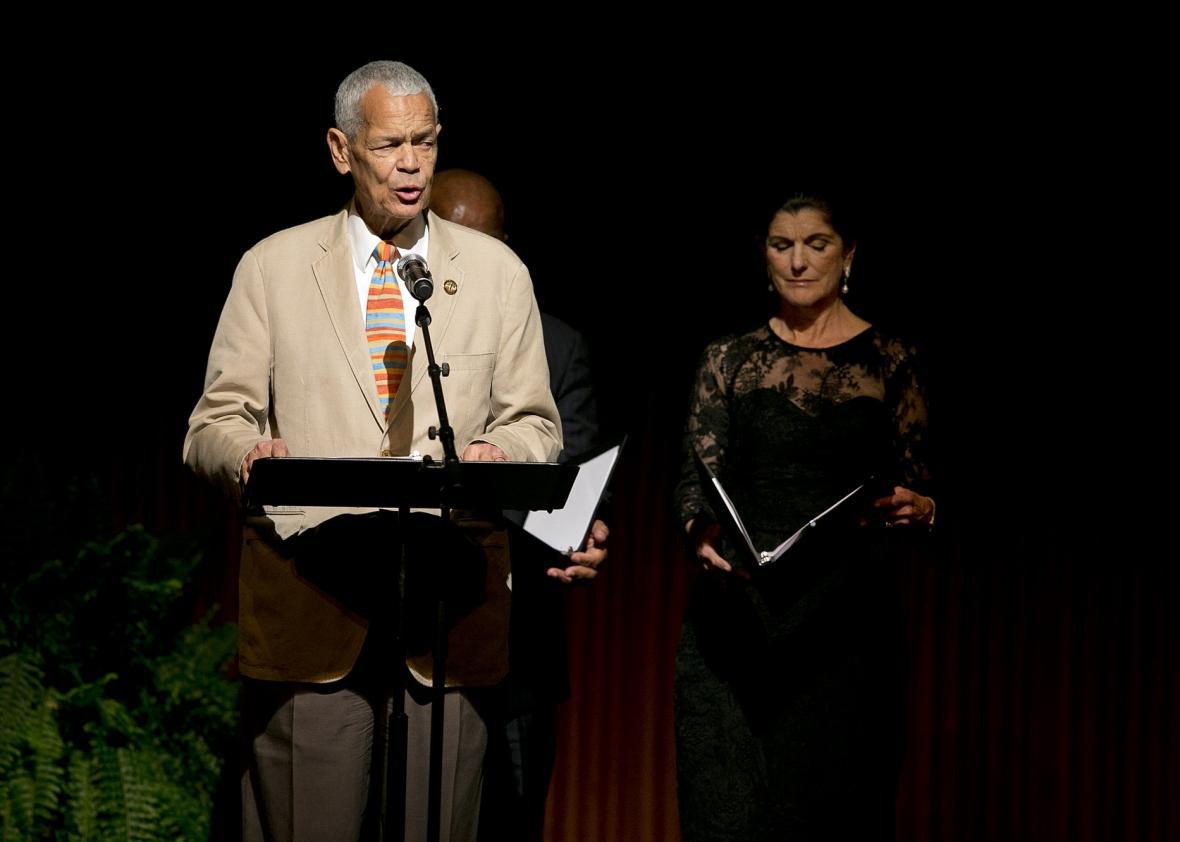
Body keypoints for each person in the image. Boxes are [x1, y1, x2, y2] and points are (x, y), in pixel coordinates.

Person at [183, 61, 561, 842]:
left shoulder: (497, 274)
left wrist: (498, 447)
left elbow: (536, 425)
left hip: (450, 613)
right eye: (391, 144)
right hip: (311, 599)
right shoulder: (272, 267)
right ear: (340, 149)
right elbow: (212, 423)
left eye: (426, 141)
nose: (413, 163)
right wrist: (249, 452)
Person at [673, 191, 934, 840]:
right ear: (763, 256)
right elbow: (693, 479)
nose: (796, 262)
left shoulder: (891, 360)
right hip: (737, 623)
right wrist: (698, 532)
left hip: (845, 627)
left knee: (834, 810)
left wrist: (922, 507)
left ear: (848, 255)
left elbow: (921, 480)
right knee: (730, 811)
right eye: (780, 245)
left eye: (815, 244)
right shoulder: (728, 358)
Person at [430, 168, 609, 841]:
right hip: (402, 634)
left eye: (489, 249)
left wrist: (577, 527)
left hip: (517, 645)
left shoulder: (557, 346)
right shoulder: (384, 343)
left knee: (511, 821)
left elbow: (573, 481)